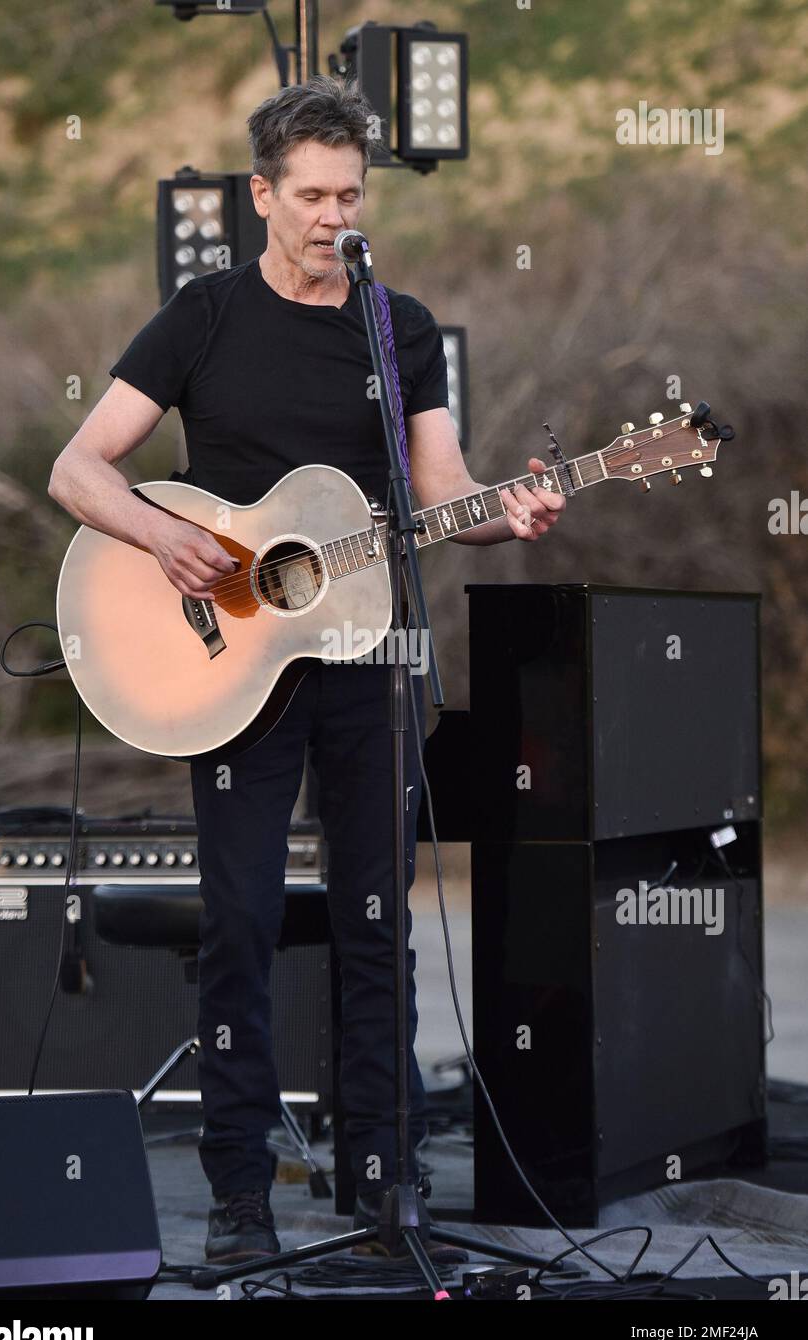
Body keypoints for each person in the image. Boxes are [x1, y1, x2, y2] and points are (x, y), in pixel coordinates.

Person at [48, 74, 565, 1263]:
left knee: (377, 925)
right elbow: (81, 470)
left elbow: (440, 494)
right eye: (314, 194)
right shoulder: (204, 317)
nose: (336, 213)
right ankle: (239, 1197)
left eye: (352, 193)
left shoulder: (399, 325)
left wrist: (515, 512)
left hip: (362, 658)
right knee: (236, 924)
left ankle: (384, 1189)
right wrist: (161, 533)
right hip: (230, 659)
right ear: (262, 195)